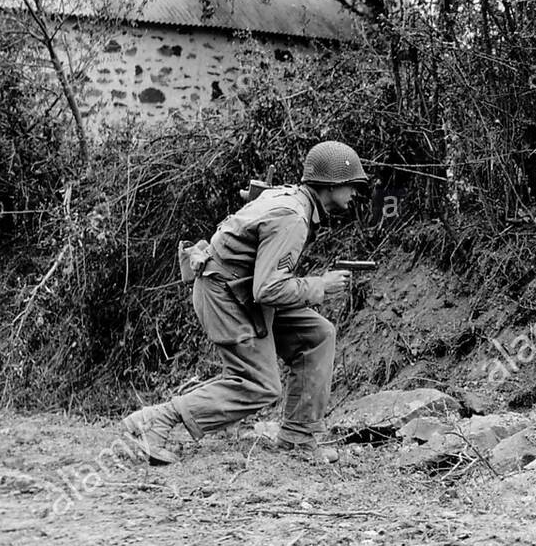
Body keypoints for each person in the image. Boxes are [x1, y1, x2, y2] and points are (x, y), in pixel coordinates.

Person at [121, 140, 369, 464]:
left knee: (317, 335)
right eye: (352, 185)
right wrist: (320, 285)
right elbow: (269, 289)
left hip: (241, 288)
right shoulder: (293, 216)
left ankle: (299, 438)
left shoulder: (287, 197)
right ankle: (158, 419)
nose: (355, 194)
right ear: (332, 184)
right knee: (259, 384)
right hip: (227, 295)